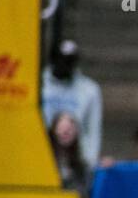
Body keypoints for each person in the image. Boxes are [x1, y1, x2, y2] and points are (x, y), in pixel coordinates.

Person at [41, 40, 102, 168]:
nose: (64, 66)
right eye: (61, 61)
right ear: (53, 60)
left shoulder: (89, 89)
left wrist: (91, 161)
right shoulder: (39, 84)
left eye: (69, 62)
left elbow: (93, 128)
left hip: (76, 159)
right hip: (43, 153)